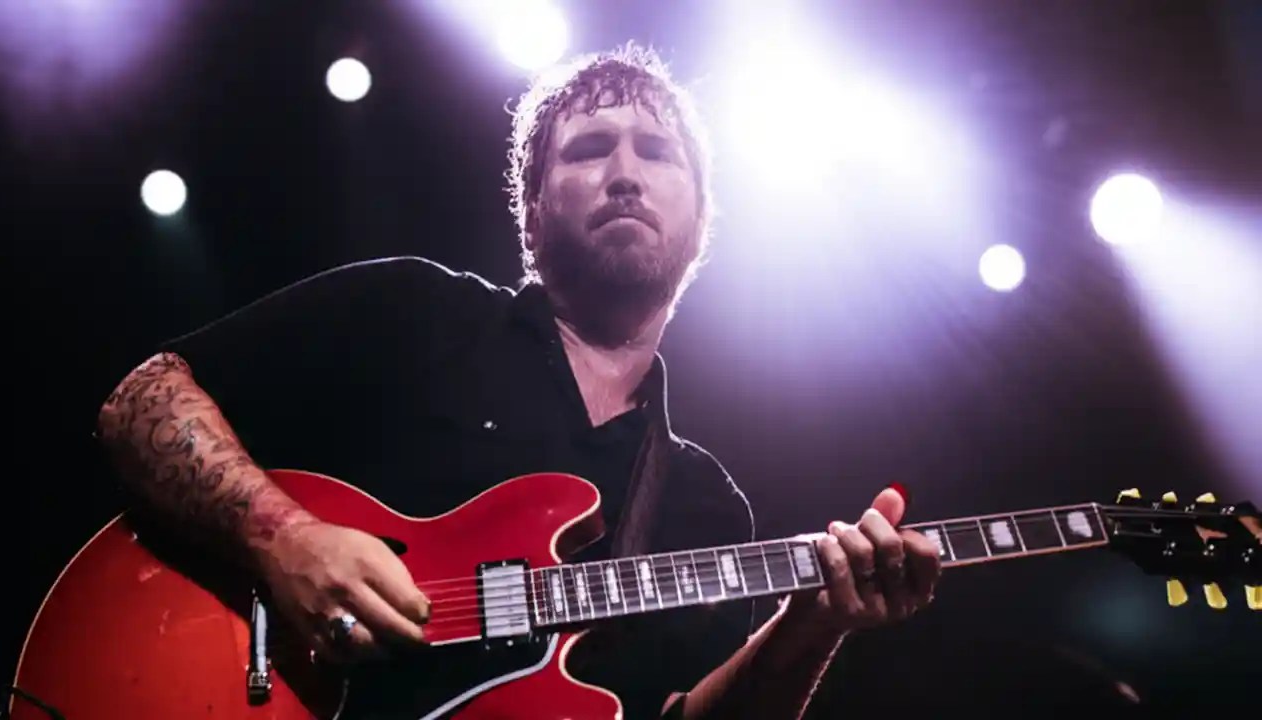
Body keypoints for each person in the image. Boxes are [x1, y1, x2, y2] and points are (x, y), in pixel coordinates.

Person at [94, 43, 941, 718]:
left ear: (701, 220)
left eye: (657, 152)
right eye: (589, 150)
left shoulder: (701, 505)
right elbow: (143, 397)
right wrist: (283, 539)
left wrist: (814, 624)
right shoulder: (414, 311)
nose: (625, 172)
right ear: (532, 207)